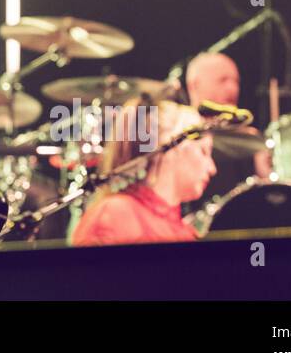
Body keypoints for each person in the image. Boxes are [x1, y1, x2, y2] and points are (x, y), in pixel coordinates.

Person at [71, 101, 216, 246]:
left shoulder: (185, 232)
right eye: (204, 151)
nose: (212, 168)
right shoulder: (115, 216)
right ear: (171, 145)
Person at [183, 52, 269, 208]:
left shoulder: (249, 139)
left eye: (236, 81)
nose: (232, 88)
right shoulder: (177, 133)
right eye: (223, 80)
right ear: (194, 85)